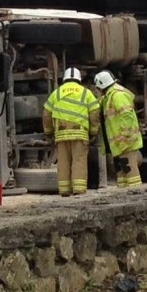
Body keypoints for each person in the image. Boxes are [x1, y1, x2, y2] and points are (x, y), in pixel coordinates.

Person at [43, 67, 100, 197]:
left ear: (65, 79)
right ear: (79, 79)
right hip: (79, 133)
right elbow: (94, 113)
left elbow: (46, 113)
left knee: (63, 162)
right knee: (78, 160)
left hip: (61, 134)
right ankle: (78, 190)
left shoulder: (56, 93)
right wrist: (93, 132)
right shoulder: (86, 93)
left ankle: (64, 190)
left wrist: (48, 132)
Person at [94, 70, 144, 187]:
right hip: (119, 144)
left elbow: (127, 117)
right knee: (121, 173)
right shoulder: (108, 97)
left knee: (131, 173)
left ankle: (137, 197)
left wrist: (125, 137)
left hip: (126, 142)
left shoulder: (118, 96)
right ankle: (124, 196)